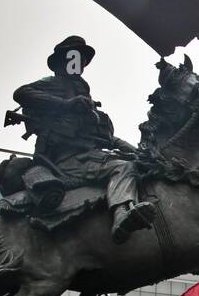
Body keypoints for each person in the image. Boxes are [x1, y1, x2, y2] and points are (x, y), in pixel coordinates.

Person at [10, 35, 156, 242]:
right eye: (75, 58)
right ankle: (121, 215)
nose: (79, 64)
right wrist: (64, 103)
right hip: (67, 160)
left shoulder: (89, 110)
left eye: (82, 60)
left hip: (91, 156)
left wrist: (141, 154)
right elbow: (21, 93)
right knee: (122, 168)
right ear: (64, 61)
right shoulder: (54, 84)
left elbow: (110, 140)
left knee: (137, 166)